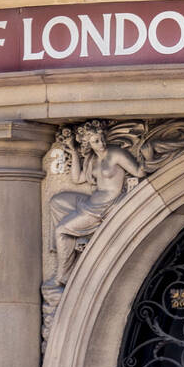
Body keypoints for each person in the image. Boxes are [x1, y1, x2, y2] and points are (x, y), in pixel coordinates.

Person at [48, 120, 151, 285]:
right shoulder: (91, 160)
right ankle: (79, 240)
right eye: (96, 141)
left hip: (104, 207)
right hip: (91, 202)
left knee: (61, 230)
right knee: (56, 201)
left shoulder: (116, 153)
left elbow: (138, 171)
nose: (101, 143)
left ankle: (64, 274)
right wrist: (74, 151)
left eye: (102, 138)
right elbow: (77, 178)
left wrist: (150, 156)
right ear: (88, 143)